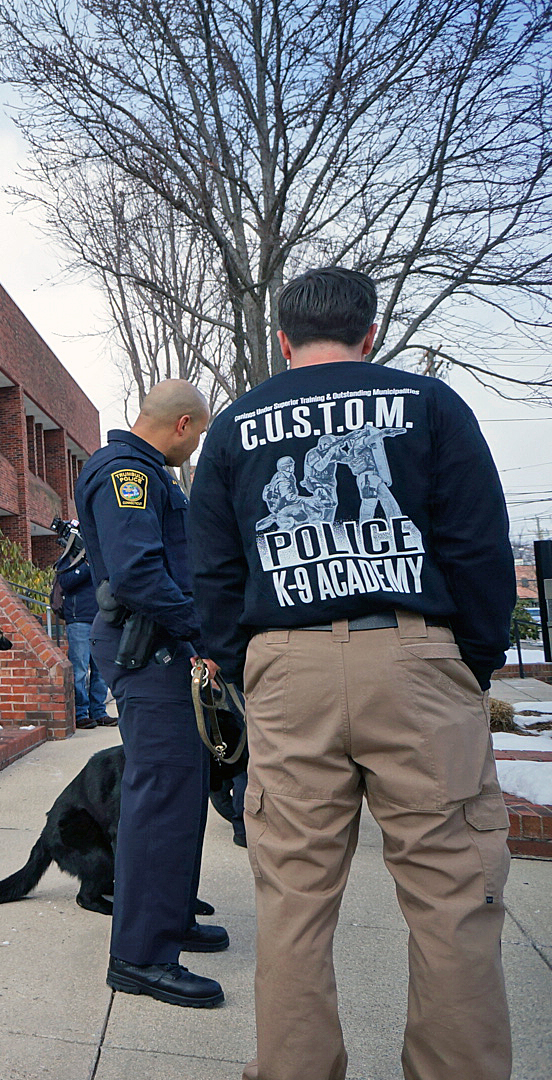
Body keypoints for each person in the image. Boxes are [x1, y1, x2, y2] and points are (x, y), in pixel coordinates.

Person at [189, 267, 514, 1080]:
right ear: (371, 334)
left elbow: (215, 575)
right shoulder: (430, 405)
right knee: (452, 900)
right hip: (417, 652)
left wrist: (249, 666)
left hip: (285, 665)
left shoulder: (233, 427)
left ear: (283, 340)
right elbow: (478, 547)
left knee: (294, 904)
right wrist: (464, 662)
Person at [74, 378, 227, 1008]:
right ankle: (140, 955)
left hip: (167, 648)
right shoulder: (125, 473)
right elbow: (138, 574)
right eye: (197, 437)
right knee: (160, 796)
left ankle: (170, 918)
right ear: (184, 425)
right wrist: (204, 629)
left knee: (183, 791)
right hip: (150, 648)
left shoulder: (151, 474)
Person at [52, 523, 109, 728]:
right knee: (79, 670)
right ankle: (80, 713)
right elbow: (66, 581)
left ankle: (98, 711)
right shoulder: (70, 558)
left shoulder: (101, 557)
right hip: (79, 621)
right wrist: (86, 563)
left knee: (101, 670)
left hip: (101, 619)